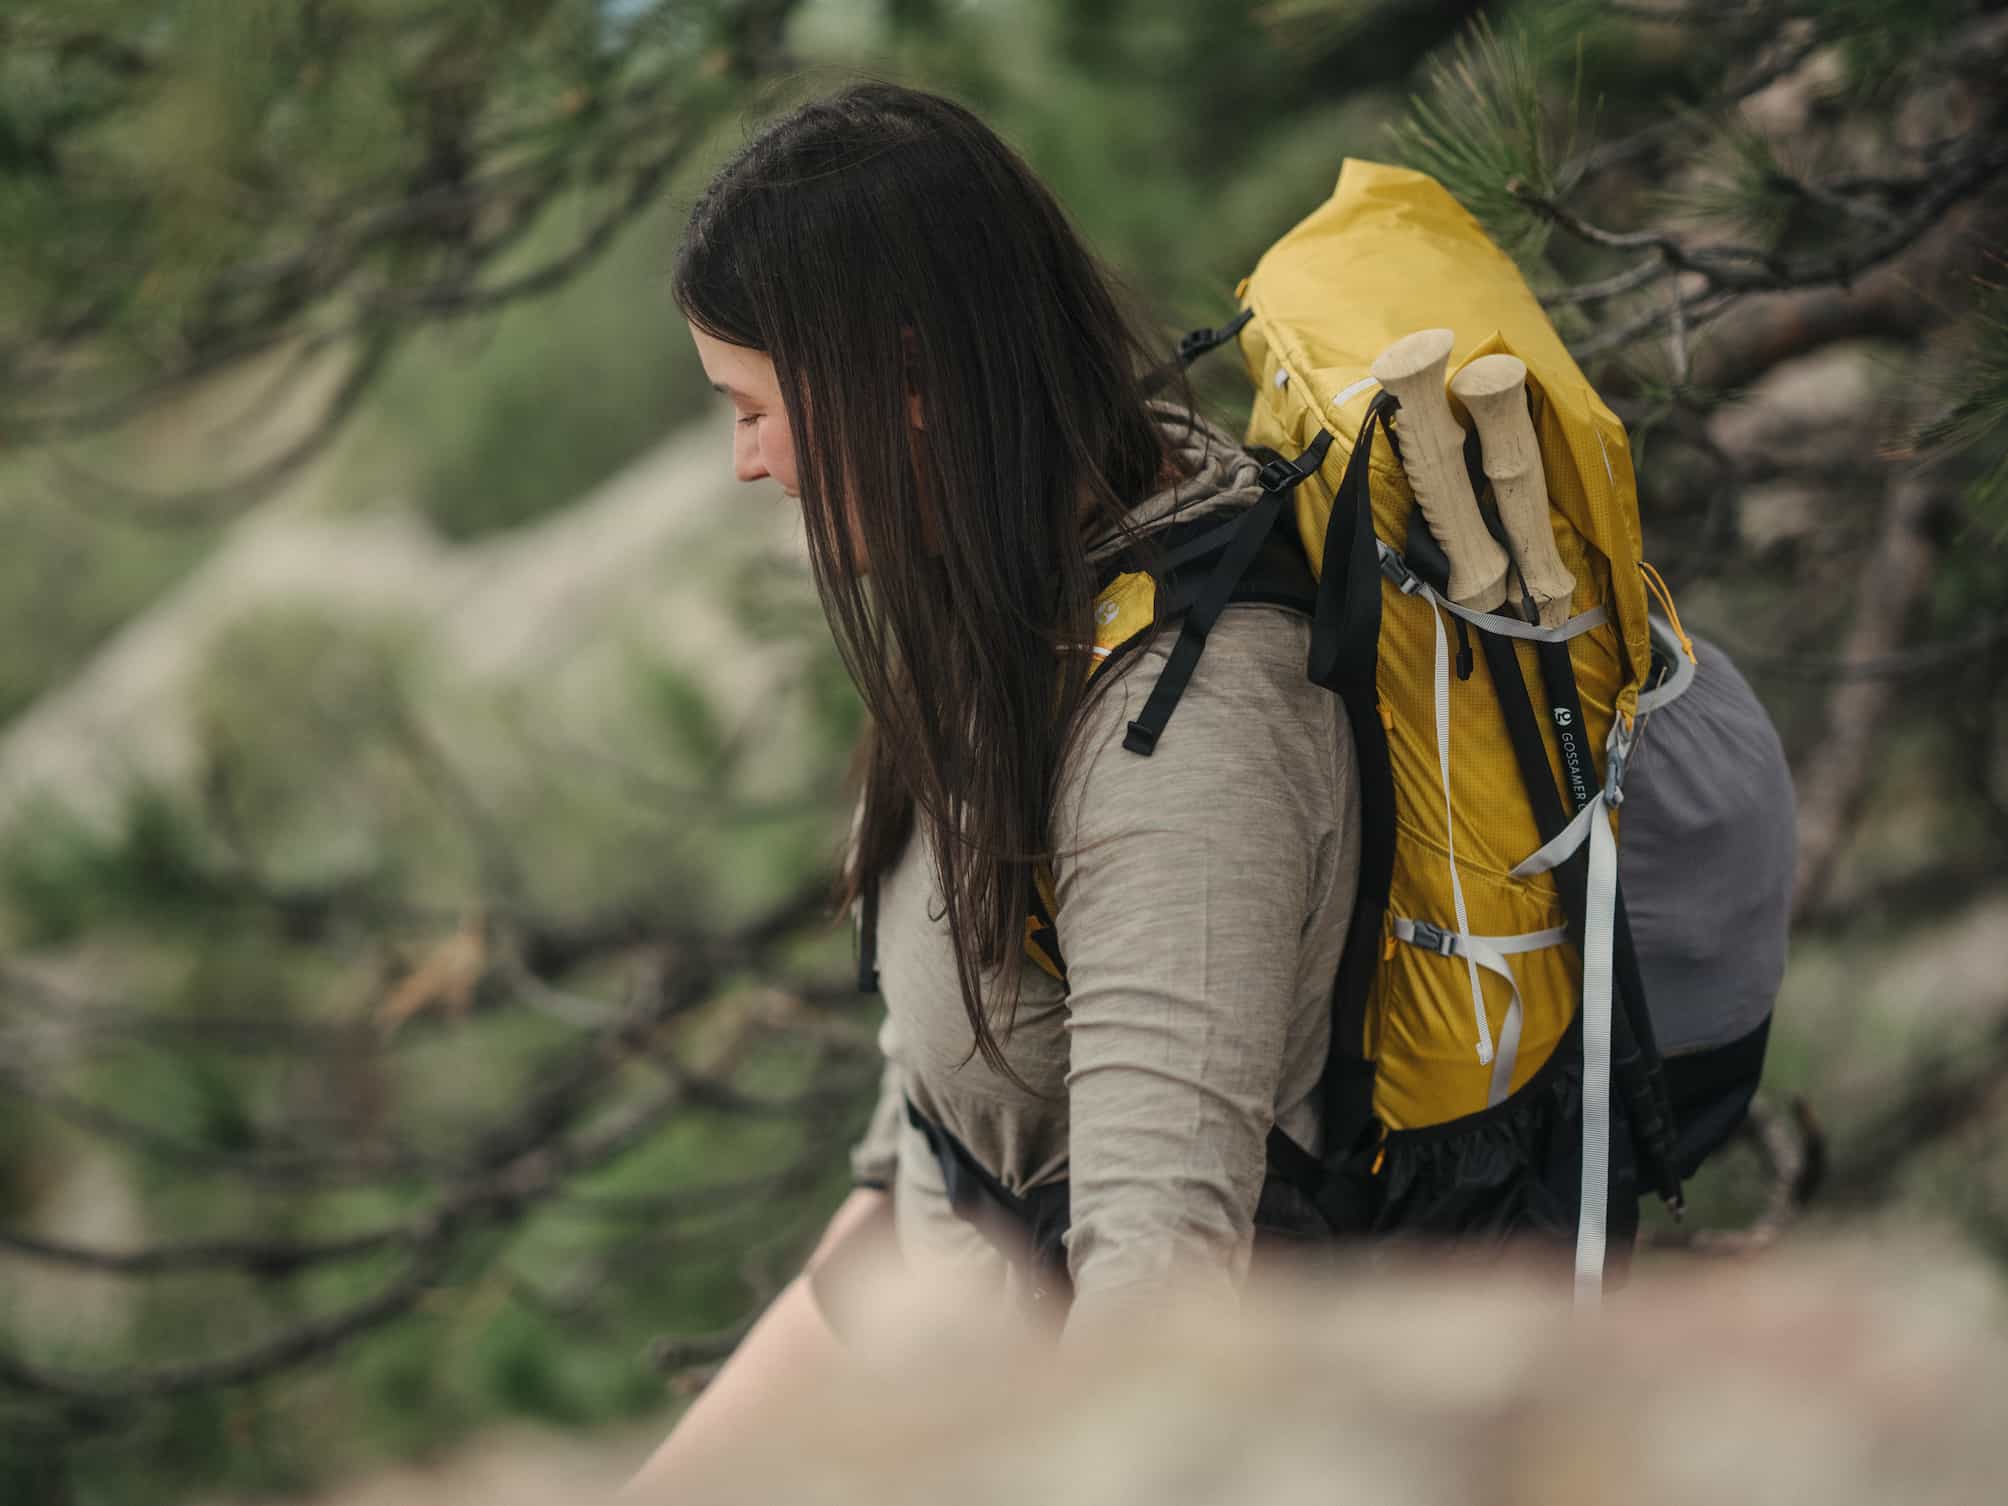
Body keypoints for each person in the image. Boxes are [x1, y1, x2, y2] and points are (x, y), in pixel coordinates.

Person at [623, 80, 1359, 1495]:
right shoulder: (1012, 611)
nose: (747, 461)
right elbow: (927, 1167)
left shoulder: (1183, 732)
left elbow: (1159, 1299)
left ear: (905, 374)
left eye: (758, 407)